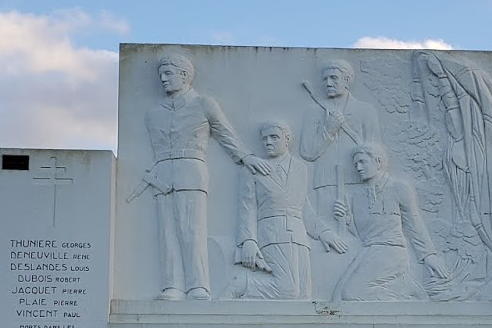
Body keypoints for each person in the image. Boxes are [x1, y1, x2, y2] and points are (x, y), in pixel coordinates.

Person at [139, 52, 266, 300]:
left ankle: (198, 286)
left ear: (184, 75)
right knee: (166, 233)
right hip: (161, 172)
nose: (163, 79)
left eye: (168, 74)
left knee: (191, 230)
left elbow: (225, 133)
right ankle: (172, 286)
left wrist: (246, 156)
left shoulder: (203, 104)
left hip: (191, 169)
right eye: (160, 75)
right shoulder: (153, 113)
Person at [412, 50, 492, 291]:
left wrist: (442, 75)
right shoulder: (450, 148)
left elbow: (455, 104)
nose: (448, 118)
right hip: (458, 205)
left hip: (471, 203)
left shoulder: (476, 150)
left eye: (453, 112)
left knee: (474, 227)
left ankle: (484, 274)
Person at [230, 120, 347, 299]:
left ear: (287, 139)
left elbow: (303, 208)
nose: (268, 142)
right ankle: (242, 285)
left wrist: (324, 232)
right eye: (265, 139)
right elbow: (247, 208)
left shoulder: (300, 168)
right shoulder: (252, 170)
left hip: (298, 235)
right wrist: (248, 241)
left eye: (274, 137)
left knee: (303, 295)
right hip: (271, 232)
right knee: (287, 290)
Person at [331, 143, 447, 302]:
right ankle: (404, 285)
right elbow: (360, 232)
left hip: (392, 251)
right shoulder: (356, 196)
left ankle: (410, 294)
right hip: (369, 250)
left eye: (362, 162)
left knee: (351, 294)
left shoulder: (398, 188)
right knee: (338, 297)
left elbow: (414, 223)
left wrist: (428, 255)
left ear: (378, 162)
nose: (358, 168)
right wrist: (344, 218)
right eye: (355, 164)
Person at [299, 57, 381, 226]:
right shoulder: (314, 111)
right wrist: (329, 130)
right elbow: (307, 153)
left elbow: (376, 154)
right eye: (325, 79)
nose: (328, 83)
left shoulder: (366, 111)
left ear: (347, 80)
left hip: (358, 180)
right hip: (325, 181)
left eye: (333, 78)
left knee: (358, 230)